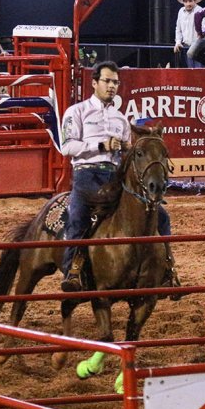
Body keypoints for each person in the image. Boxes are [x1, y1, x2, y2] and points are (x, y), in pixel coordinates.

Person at [58, 61, 177, 293]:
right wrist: (101, 145)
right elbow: (67, 147)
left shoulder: (121, 119)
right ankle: (73, 269)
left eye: (115, 82)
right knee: (79, 217)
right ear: (94, 83)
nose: (112, 86)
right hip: (86, 175)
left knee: (160, 215)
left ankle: (166, 268)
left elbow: (126, 155)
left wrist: (126, 148)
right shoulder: (76, 112)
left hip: (114, 177)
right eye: (107, 81)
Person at [173, 0, 204, 68]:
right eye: (186, 1)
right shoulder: (181, 11)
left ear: (194, 1)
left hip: (198, 48)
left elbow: (204, 29)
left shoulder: (200, 11)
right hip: (186, 47)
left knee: (199, 72)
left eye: (190, 1)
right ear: (183, 2)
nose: (188, 4)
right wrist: (178, 41)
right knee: (190, 72)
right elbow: (178, 29)